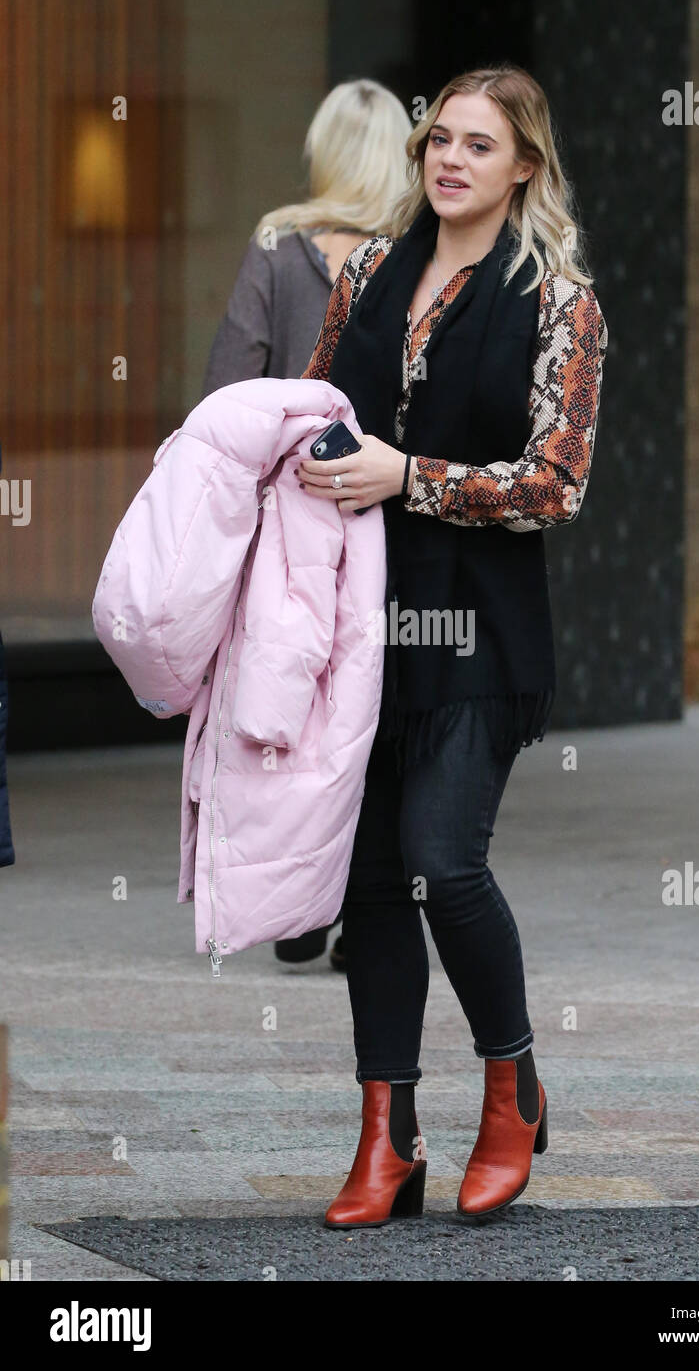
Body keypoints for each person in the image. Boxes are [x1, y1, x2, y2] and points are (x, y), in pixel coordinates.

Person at [297, 63, 608, 1227]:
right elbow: (316, 411)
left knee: (443, 855)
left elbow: (555, 483)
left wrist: (408, 477)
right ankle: (387, 1138)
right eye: (440, 140)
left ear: (524, 165)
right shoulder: (369, 270)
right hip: (359, 618)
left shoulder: (558, 299)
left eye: (480, 145)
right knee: (372, 878)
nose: (451, 160)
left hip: (481, 628)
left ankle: (509, 1089)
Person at [201, 78, 411, 971]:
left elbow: (226, 387)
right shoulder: (419, 257)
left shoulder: (277, 246)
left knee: (290, 706)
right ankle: (367, 908)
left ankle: (296, 907)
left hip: (288, 529)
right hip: (387, 516)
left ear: (324, 153)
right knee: (378, 714)